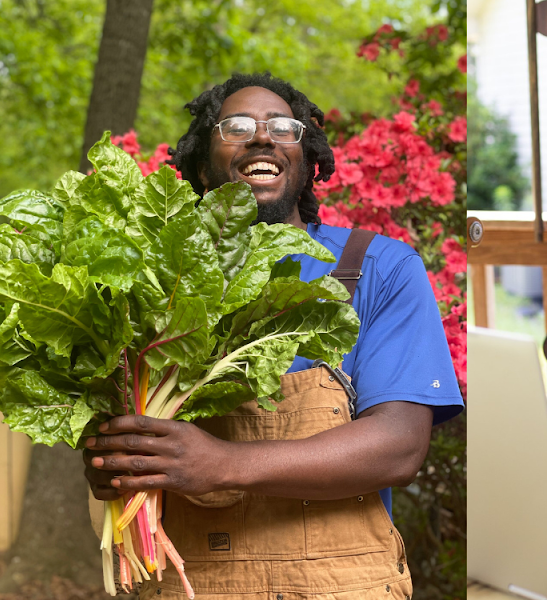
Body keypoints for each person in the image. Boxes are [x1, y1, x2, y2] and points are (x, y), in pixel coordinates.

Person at [81, 73, 463, 599]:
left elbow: (399, 446)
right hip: (185, 584)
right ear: (200, 165)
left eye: (283, 127)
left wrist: (222, 465)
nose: (262, 136)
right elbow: (121, 429)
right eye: (236, 127)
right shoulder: (154, 282)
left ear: (306, 164)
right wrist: (114, 465)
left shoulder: (377, 268)